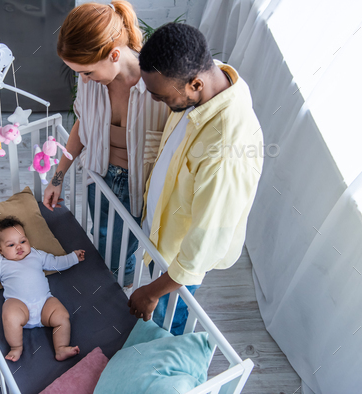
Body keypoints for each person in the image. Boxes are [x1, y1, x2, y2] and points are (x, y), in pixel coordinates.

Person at [128, 23, 264, 335]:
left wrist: (151, 292)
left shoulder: (226, 148)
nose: (159, 104)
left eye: (162, 97)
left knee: (164, 328)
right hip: (161, 236)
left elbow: (205, 243)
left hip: (178, 263)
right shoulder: (206, 85)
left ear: (195, 84)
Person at [43, 1, 169, 292]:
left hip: (140, 186)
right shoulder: (90, 79)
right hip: (98, 175)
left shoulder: (158, 89)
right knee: (102, 238)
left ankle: (115, 289)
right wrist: (57, 177)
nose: (83, 79)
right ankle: (115, 280)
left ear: (114, 55)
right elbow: (81, 125)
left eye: (87, 72)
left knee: (122, 248)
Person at [0, 217, 85, 362]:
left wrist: (73, 258)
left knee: (62, 316)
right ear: (0, 250)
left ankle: (61, 347)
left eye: (23, 241)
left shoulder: (36, 254)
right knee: (9, 314)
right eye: (11, 245)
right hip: (20, 306)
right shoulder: (0, 262)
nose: (19, 247)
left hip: (45, 304)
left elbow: (55, 262)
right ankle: (16, 347)